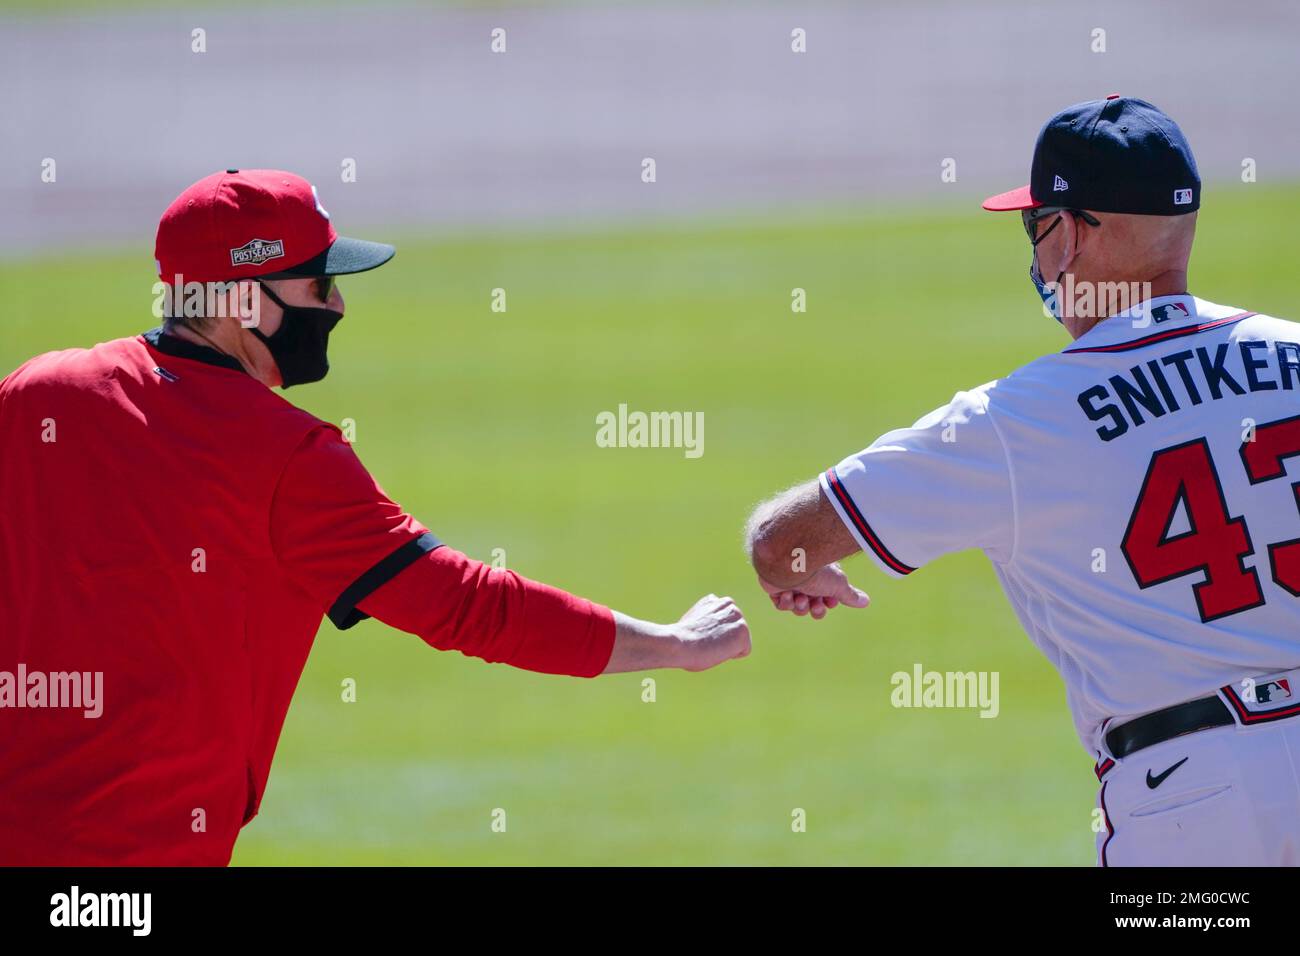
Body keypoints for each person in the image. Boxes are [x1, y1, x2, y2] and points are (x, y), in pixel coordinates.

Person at [0, 169, 750, 865]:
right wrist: (673, 645)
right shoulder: (286, 457)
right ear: (245, 302)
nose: (337, 305)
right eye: (319, 283)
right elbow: (467, 606)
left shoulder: (38, 393)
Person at [745, 97, 1300, 865]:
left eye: (1037, 226)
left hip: (1195, 804)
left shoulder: (1016, 420)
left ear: (1070, 234)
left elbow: (784, 544)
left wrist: (795, 565)